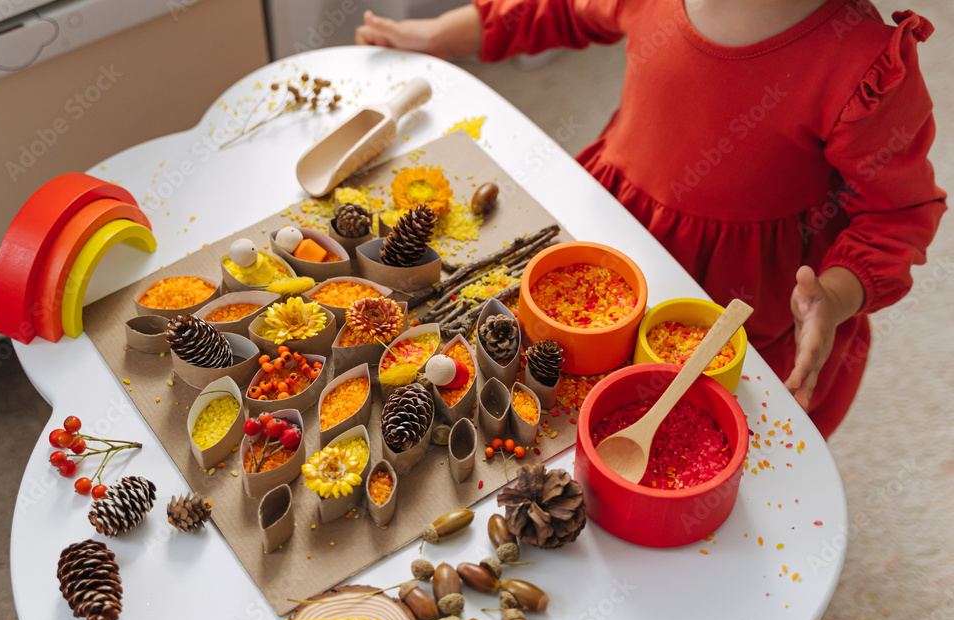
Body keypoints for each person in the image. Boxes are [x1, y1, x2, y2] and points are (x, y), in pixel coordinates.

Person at [355, 0, 946, 437]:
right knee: (571, 401)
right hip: (611, 233)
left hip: (739, 304)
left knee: (702, 434)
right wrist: (438, 33)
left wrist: (835, 298)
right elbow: (555, 10)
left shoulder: (865, 65)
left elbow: (897, 213)